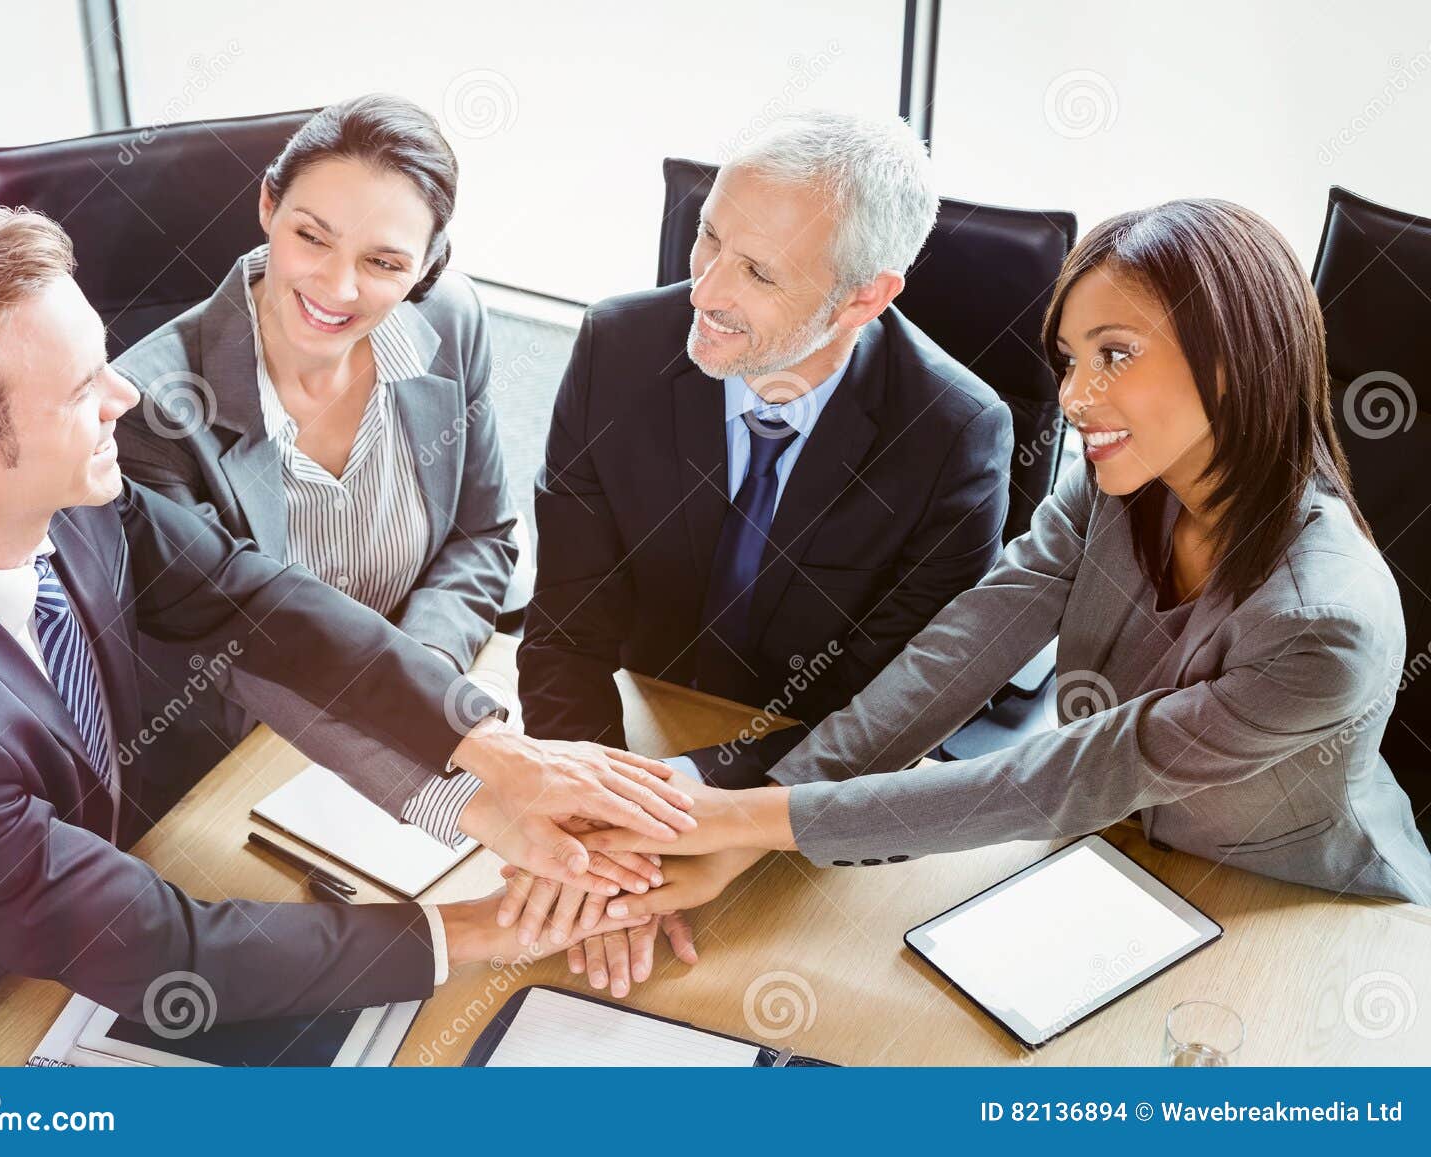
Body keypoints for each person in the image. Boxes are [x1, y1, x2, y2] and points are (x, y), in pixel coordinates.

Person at [0, 210, 688, 1063]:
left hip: (78, 920)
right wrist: (484, 926)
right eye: (82, 389)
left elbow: (255, 603)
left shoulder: (51, 493)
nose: (123, 397)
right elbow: (170, 955)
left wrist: (497, 752)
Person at [518, 198, 1431, 996]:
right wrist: (754, 821)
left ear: (1234, 358)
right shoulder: (1118, 490)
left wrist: (745, 818)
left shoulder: (1326, 621)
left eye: (1115, 354)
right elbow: (957, 654)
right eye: (1070, 360)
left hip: (1303, 913)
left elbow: (1077, 770)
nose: (1076, 396)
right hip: (1120, 866)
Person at [514, 111, 1012, 985]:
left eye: (757, 272)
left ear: (865, 297)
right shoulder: (617, 348)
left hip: (792, 809)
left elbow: (879, 714)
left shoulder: (955, 439)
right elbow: (566, 628)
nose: (703, 290)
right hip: (631, 735)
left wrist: (675, 813)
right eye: (708, 235)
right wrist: (591, 826)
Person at [114, 94, 516, 798]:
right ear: (269, 205)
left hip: (431, 711)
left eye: (385, 262)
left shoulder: (451, 322)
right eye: (312, 237)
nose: (338, 287)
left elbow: (481, 535)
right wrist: (414, 707)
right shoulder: (149, 409)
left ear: (427, 267)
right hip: (249, 756)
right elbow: (230, 641)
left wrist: (423, 668)